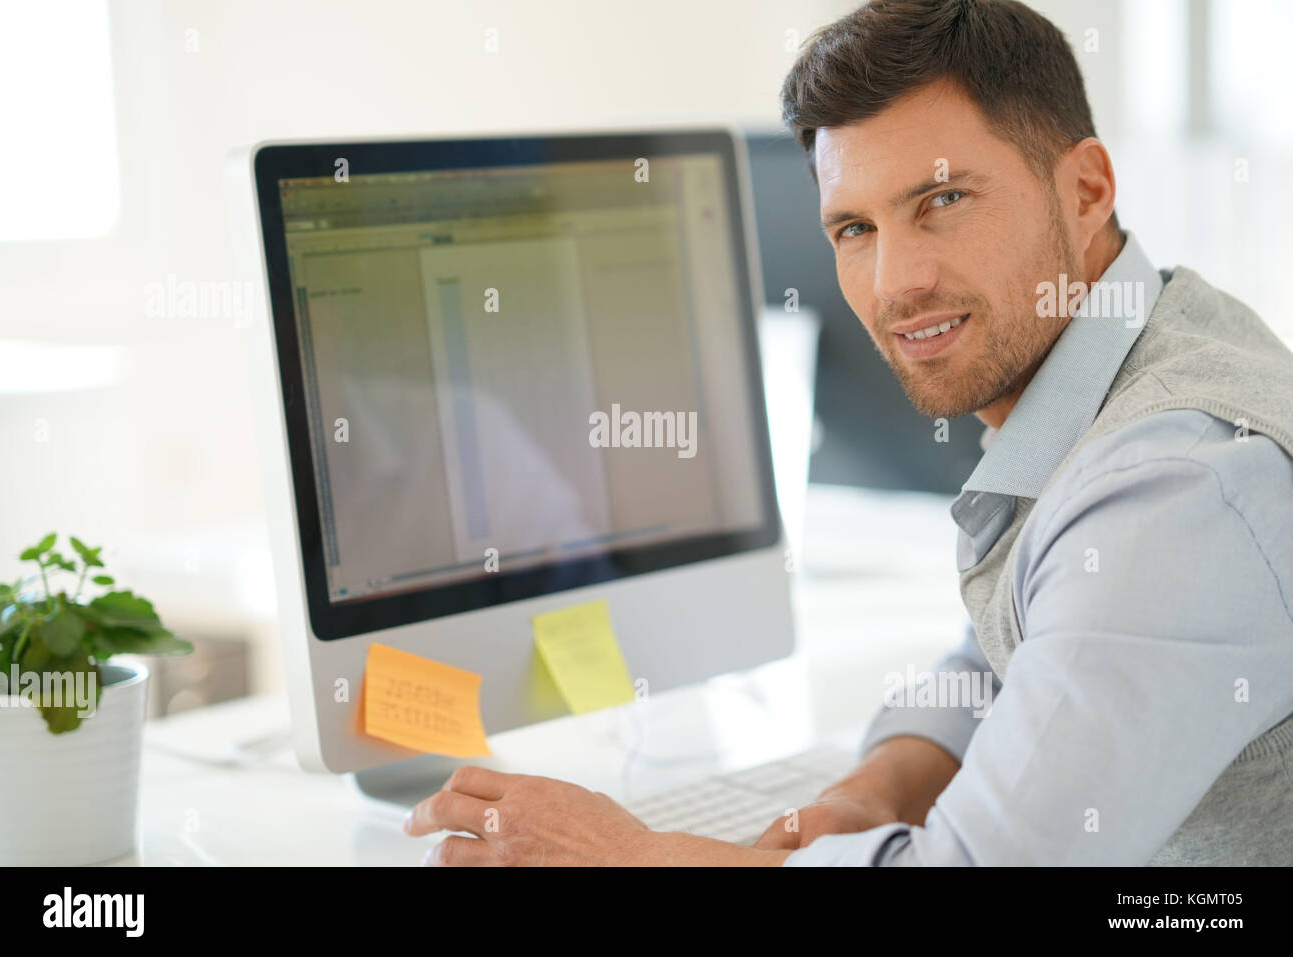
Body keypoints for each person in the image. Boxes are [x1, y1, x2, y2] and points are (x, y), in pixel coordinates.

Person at [403, 0, 1293, 865]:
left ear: (1087, 187)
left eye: (943, 198)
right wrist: (877, 791)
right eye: (855, 227)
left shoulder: (1175, 486)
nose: (897, 282)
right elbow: (1025, 649)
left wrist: (630, 857)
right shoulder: (1141, 340)